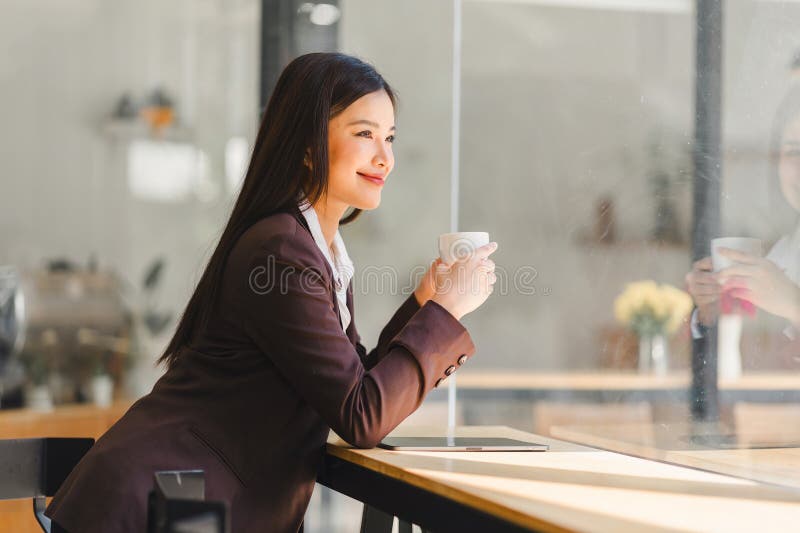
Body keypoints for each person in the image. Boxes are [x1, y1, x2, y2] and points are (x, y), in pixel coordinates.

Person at [45, 52, 498, 533]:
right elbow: (361, 415)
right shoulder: (282, 251)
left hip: (182, 502)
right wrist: (446, 311)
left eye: (388, 138)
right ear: (307, 144)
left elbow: (348, 383)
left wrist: (425, 304)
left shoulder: (315, 248)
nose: (385, 156)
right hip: (156, 506)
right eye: (364, 134)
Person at [686, 86, 800, 346]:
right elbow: (752, 355)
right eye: (793, 150)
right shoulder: (785, 252)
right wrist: (710, 309)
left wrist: (795, 304)